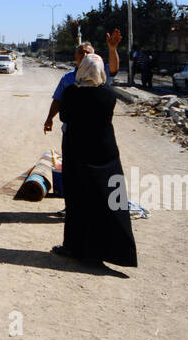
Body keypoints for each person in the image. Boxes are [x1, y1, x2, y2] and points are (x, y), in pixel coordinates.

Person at [53, 32, 138, 269]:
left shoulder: (72, 93)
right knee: (109, 201)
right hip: (106, 153)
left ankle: (75, 247)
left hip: (78, 152)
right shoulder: (109, 95)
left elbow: (65, 115)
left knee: (78, 201)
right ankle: (117, 252)